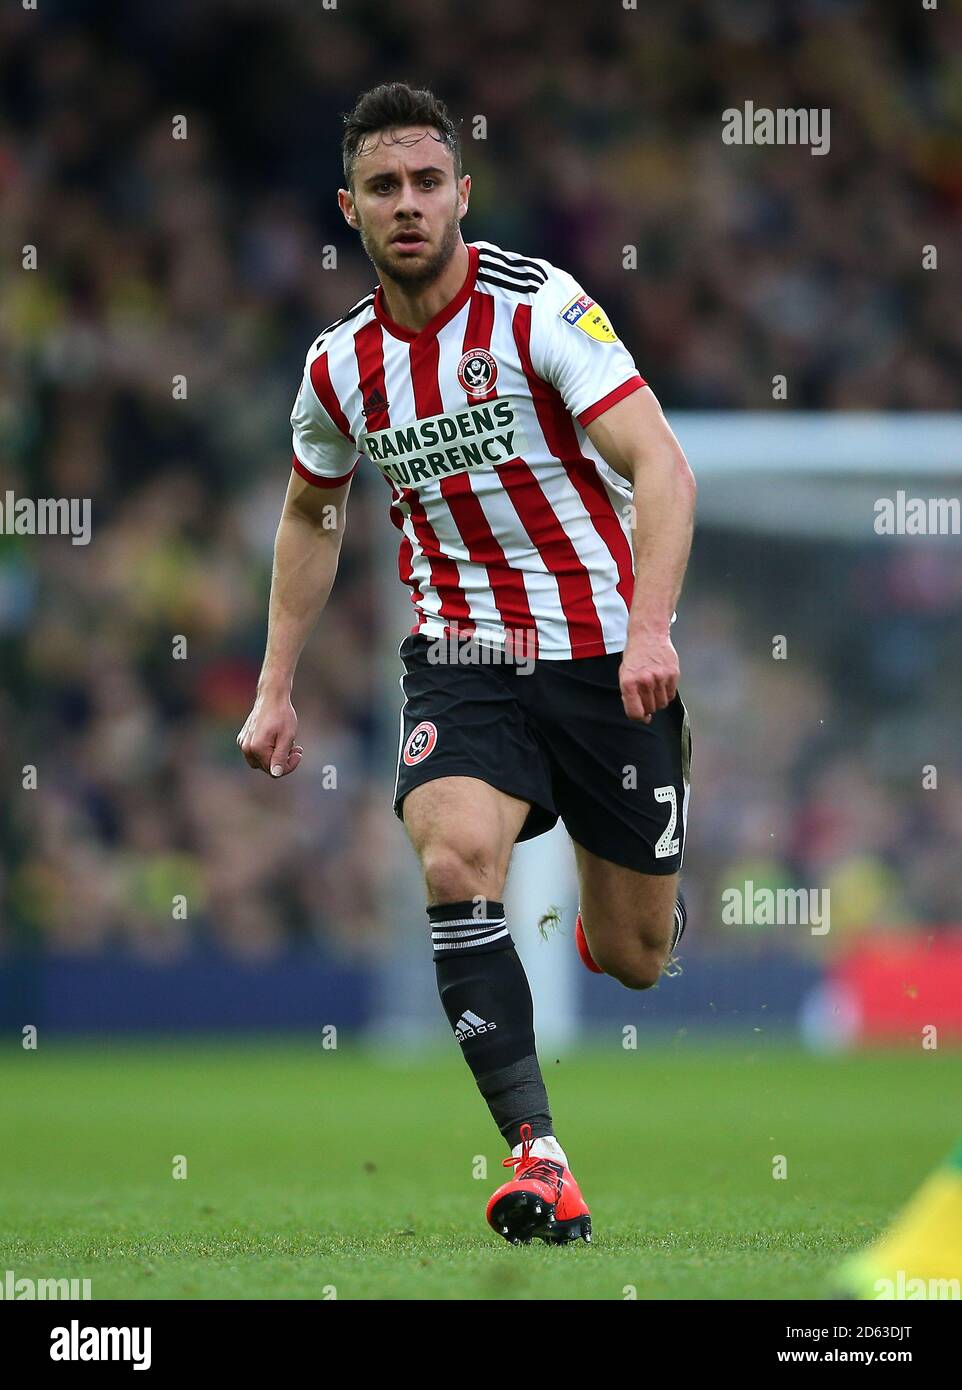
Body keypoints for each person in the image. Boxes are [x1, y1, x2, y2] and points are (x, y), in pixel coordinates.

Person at [238, 82, 696, 1245]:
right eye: (383, 187)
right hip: (461, 656)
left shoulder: (537, 305)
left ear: (461, 195)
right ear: (348, 207)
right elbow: (308, 512)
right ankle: (537, 1156)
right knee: (450, 858)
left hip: (601, 655)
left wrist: (649, 630)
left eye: (426, 182)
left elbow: (660, 465)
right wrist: (274, 686)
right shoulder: (338, 367)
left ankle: (613, 904)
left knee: (638, 959)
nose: (407, 205)